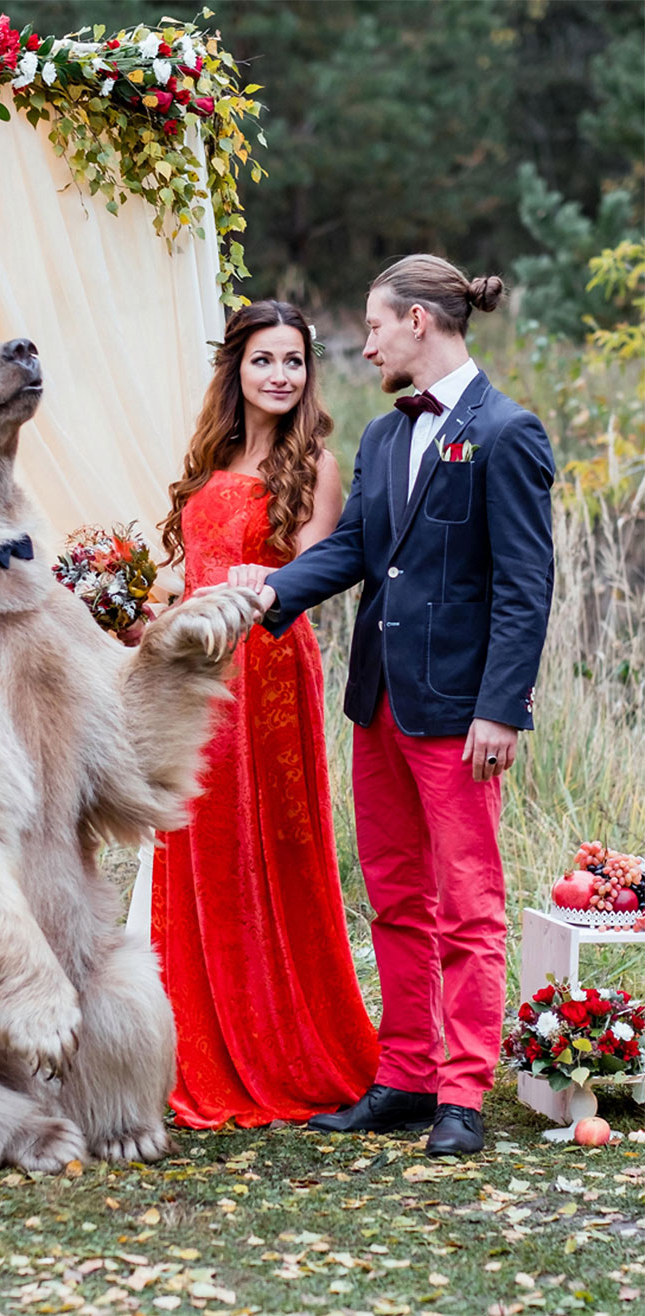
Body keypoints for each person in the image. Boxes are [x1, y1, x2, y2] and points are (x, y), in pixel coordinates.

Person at [231, 256, 555, 1156]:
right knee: (397, 898)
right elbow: (359, 554)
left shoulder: (508, 432)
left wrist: (502, 707)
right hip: (377, 703)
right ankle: (407, 1077)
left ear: (418, 321)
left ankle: (462, 1096)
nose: (363, 343)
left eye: (373, 327)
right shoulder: (382, 436)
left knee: (470, 905)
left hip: (461, 713)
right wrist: (269, 595)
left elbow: (526, 588)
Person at [151, 299, 379, 1129]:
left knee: (268, 846)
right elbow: (190, 569)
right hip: (193, 664)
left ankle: (280, 1039)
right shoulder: (209, 457)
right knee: (195, 837)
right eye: (264, 361)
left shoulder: (315, 463)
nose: (280, 376)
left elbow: (318, 564)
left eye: (293, 362)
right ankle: (191, 1034)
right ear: (237, 370)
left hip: (267, 663)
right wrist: (134, 596)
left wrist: (249, 585)